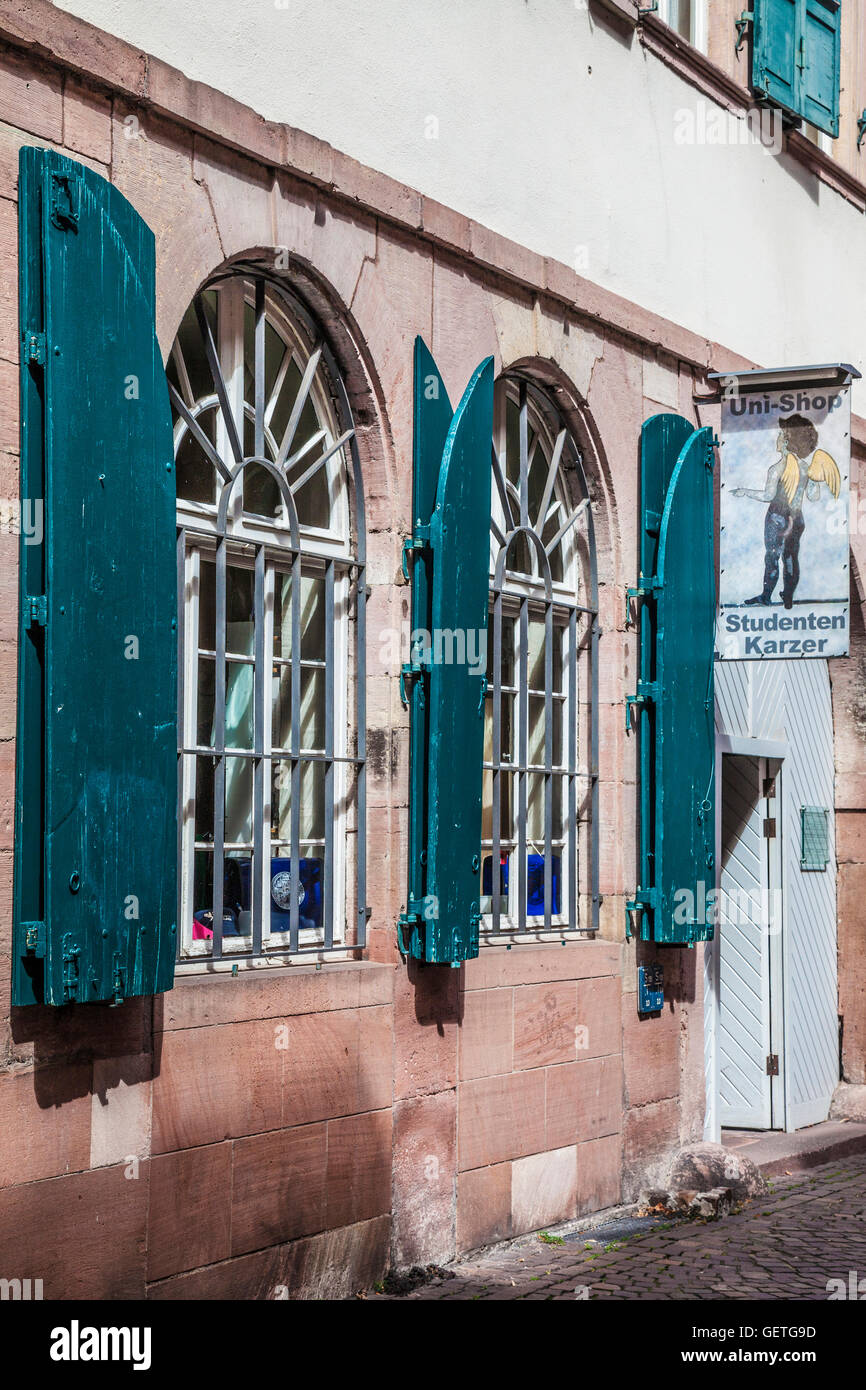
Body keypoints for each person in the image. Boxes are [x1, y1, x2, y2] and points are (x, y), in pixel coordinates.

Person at [733, 413, 840, 609]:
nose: (778, 437)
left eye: (782, 434)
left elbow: (767, 496)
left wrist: (744, 491)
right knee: (791, 557)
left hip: (777, 517)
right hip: (797, 519)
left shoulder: (777, 468)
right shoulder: (807, 469)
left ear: (788, 439)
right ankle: (788, 596)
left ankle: (766, 596)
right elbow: (814, 497)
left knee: (772, 555)